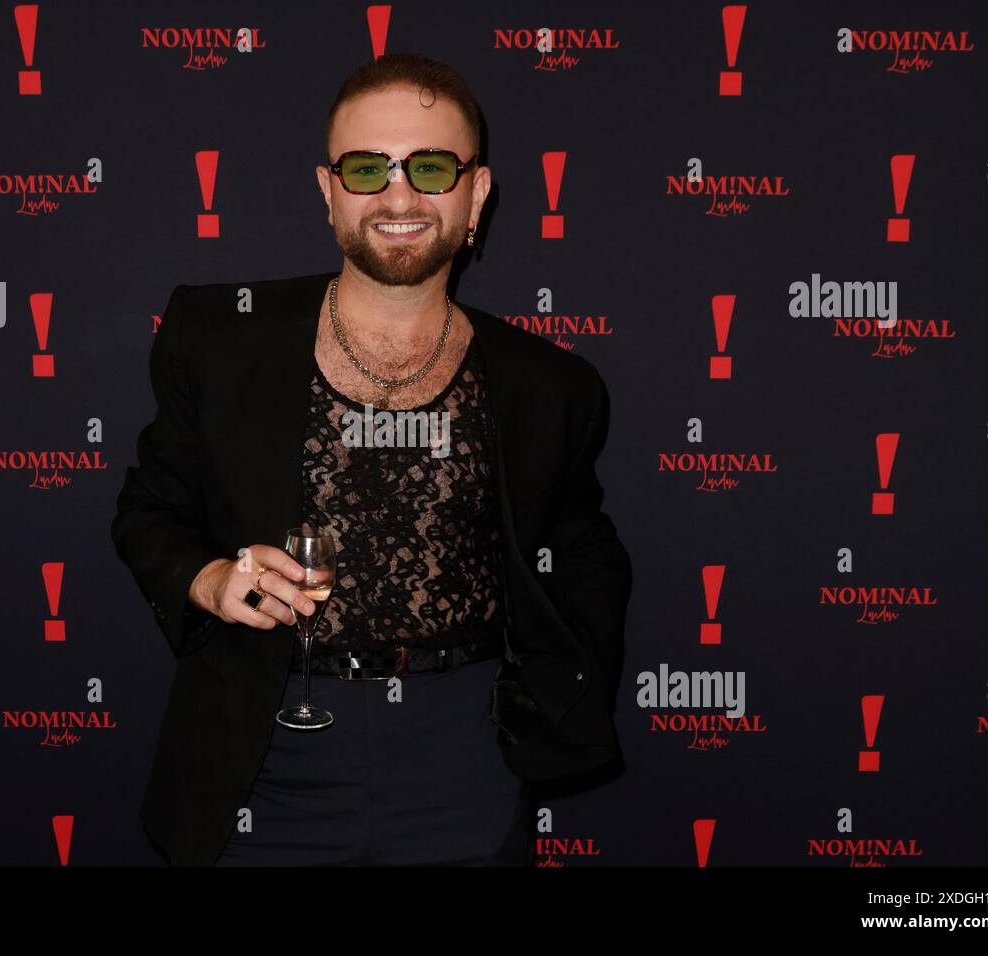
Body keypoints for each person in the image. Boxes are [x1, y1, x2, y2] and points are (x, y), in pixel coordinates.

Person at [110, 52, 632, 866]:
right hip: (261, 754)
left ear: (476, 195)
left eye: (430, 166)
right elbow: (148, 509)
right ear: (328, 192)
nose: (398, 195)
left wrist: (546, 702)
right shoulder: (217, 338)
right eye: (366, 168)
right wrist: (208, 579)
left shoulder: (552, 386)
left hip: (465, 761)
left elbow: (583, 556)